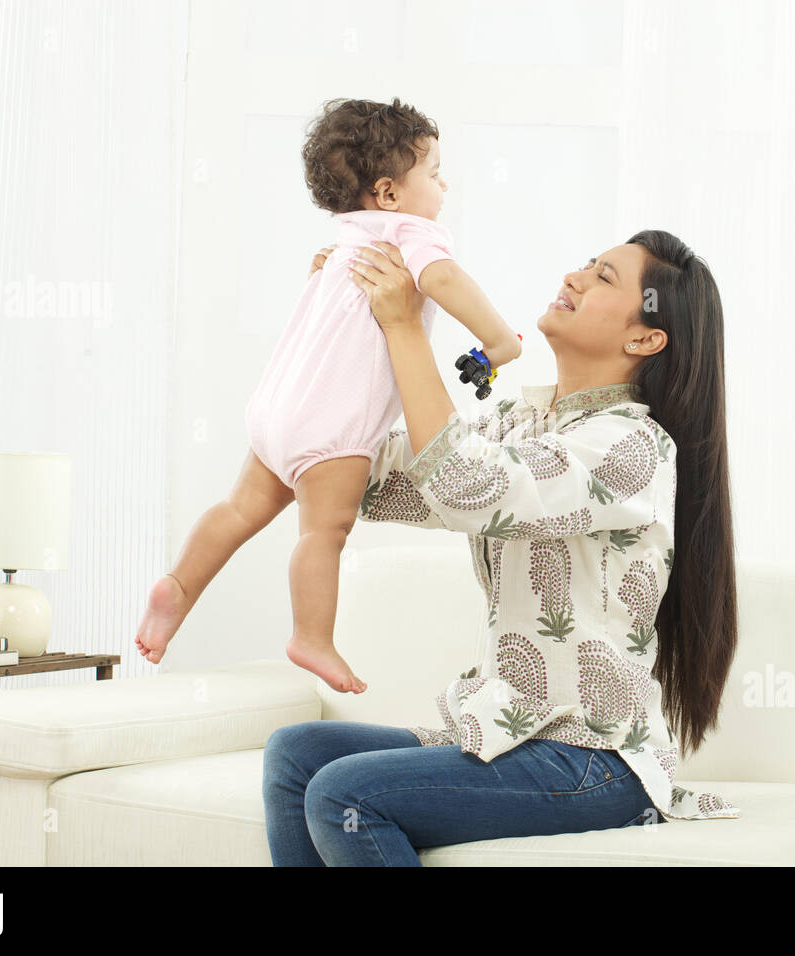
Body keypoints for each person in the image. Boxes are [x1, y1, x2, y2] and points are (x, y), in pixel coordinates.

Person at [260, 228, 741, 866]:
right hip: (508, 733)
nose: (574, 276)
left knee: (346, 794)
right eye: (587, 264)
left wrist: (405, 326)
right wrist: (338, 322)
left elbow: (464, 485)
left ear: (645, 339)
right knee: (297, 755)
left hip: (593, 761)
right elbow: (364, 482)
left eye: (603, 278)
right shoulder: (518, 425)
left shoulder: (631, 447)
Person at [132, 98, 521, 694]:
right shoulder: (412, 234)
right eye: (435, 172)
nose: (446, 184)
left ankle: (178, 587)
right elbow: (444, 281)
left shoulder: (347, 237)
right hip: (331, 428)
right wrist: (496, 340)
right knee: (323, 533)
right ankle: (310, 635)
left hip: (277, 407)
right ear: (389, 193)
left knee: (239, 511)